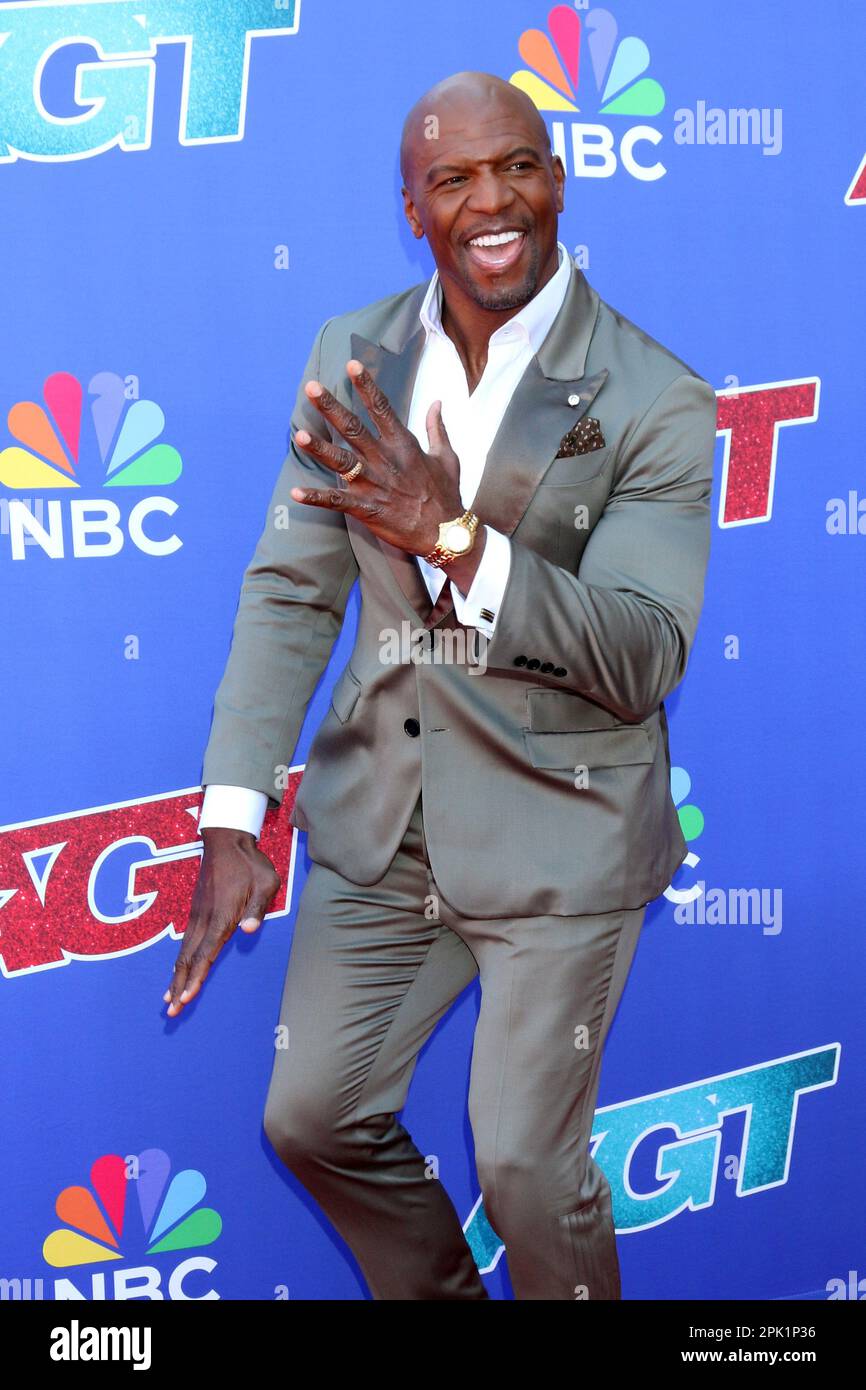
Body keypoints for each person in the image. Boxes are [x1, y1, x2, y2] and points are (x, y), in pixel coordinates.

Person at [165, 70, 718, 1300]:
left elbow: (639, 651)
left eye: (515, 165)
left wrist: (458, 539)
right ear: (411, 210)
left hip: (559, 824)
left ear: (558, 178)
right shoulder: (351, 355)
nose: (490, 200)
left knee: (523, 1164)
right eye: (452, 179)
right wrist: (232, 815)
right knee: (311, 1116)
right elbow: (293, 591)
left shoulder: (655, 396)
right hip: (384, 823)